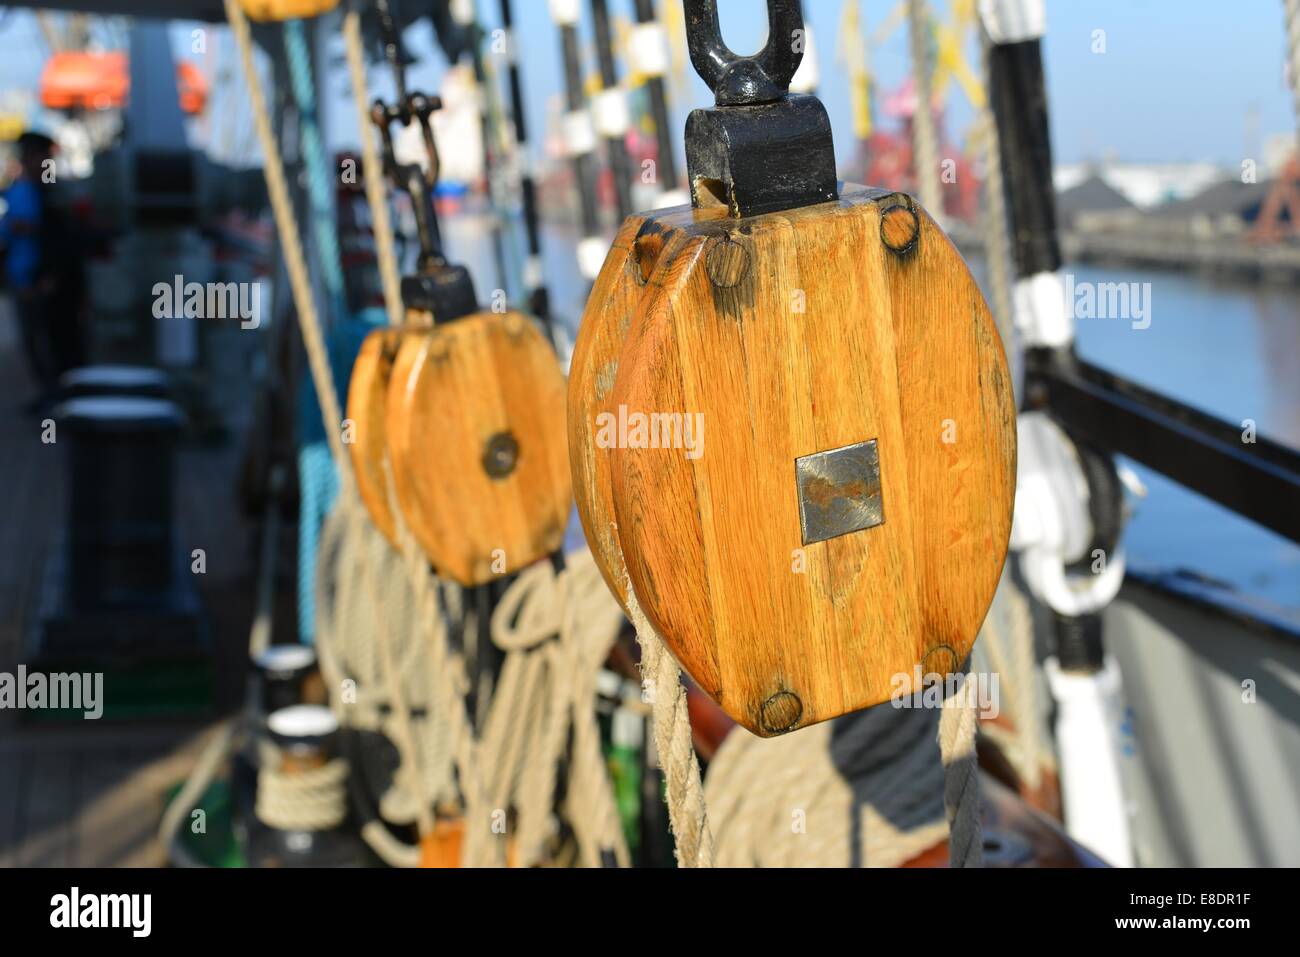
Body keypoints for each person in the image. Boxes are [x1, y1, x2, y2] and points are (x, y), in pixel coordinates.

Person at [0, 131, 87, 413]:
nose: (28, 160)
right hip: (29, 278)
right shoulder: (30, 188)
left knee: (54, 341)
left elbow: (60, 238)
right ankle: (53, 394)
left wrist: (50, 278)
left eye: (33, 154)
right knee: (38, 341)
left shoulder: (52, 193)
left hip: (45, 283)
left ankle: (63, 398)